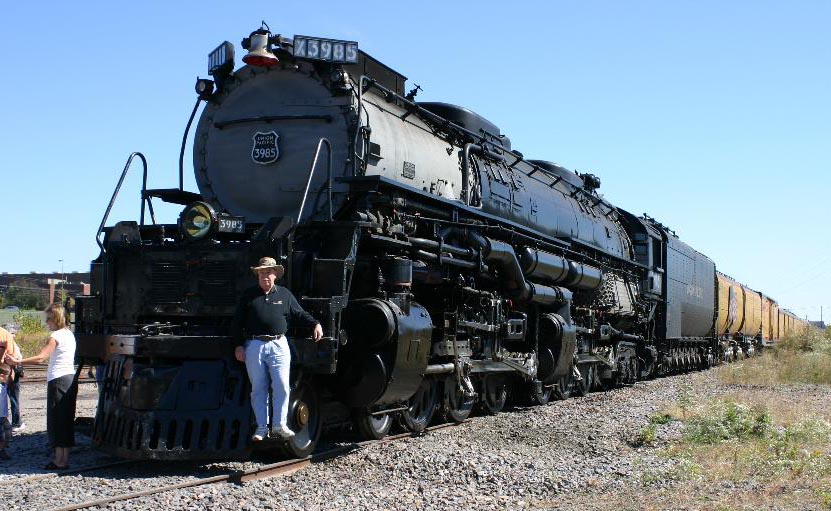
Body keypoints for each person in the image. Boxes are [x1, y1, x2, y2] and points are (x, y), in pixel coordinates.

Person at [232, 257, 323, 442]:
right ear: (257, 275)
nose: (265, 276)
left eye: (268, 272)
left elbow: (299, 313)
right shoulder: (248, 296)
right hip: (254, 345)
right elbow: (237, 322)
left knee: (281, 385)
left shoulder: (285, 295)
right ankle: (261, 427)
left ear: (275, 275)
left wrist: (315, 323)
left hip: (279, 344)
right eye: (261, 272)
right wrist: (238, 345)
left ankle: (279, 425)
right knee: (258, 388)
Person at [8, 304, 77, 470]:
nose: (47, 322)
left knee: (56, 419)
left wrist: (17, 361)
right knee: (66, 419)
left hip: (58, 380)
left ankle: (60, 461)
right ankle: (63, 459)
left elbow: (41, 357)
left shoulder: (55, 336)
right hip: (69, 378)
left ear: (56, 319)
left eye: (48, 318)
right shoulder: (69, 334)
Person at [1, 325, 24, 432]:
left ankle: (16, 422)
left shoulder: (10, 343)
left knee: (12, 399)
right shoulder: (11, 343)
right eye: (12, 333)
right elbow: (15, 358)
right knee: (13, 398)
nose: (13, 335)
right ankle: (16, 422)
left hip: (9, 374)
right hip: (9, 374)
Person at [0, 362, 11, 460]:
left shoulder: (4, 385)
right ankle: (1, 451)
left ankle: (2, 449)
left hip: (3, 415)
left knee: (7, 432)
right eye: (7, 376)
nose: (8, 379)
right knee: (2, 435)